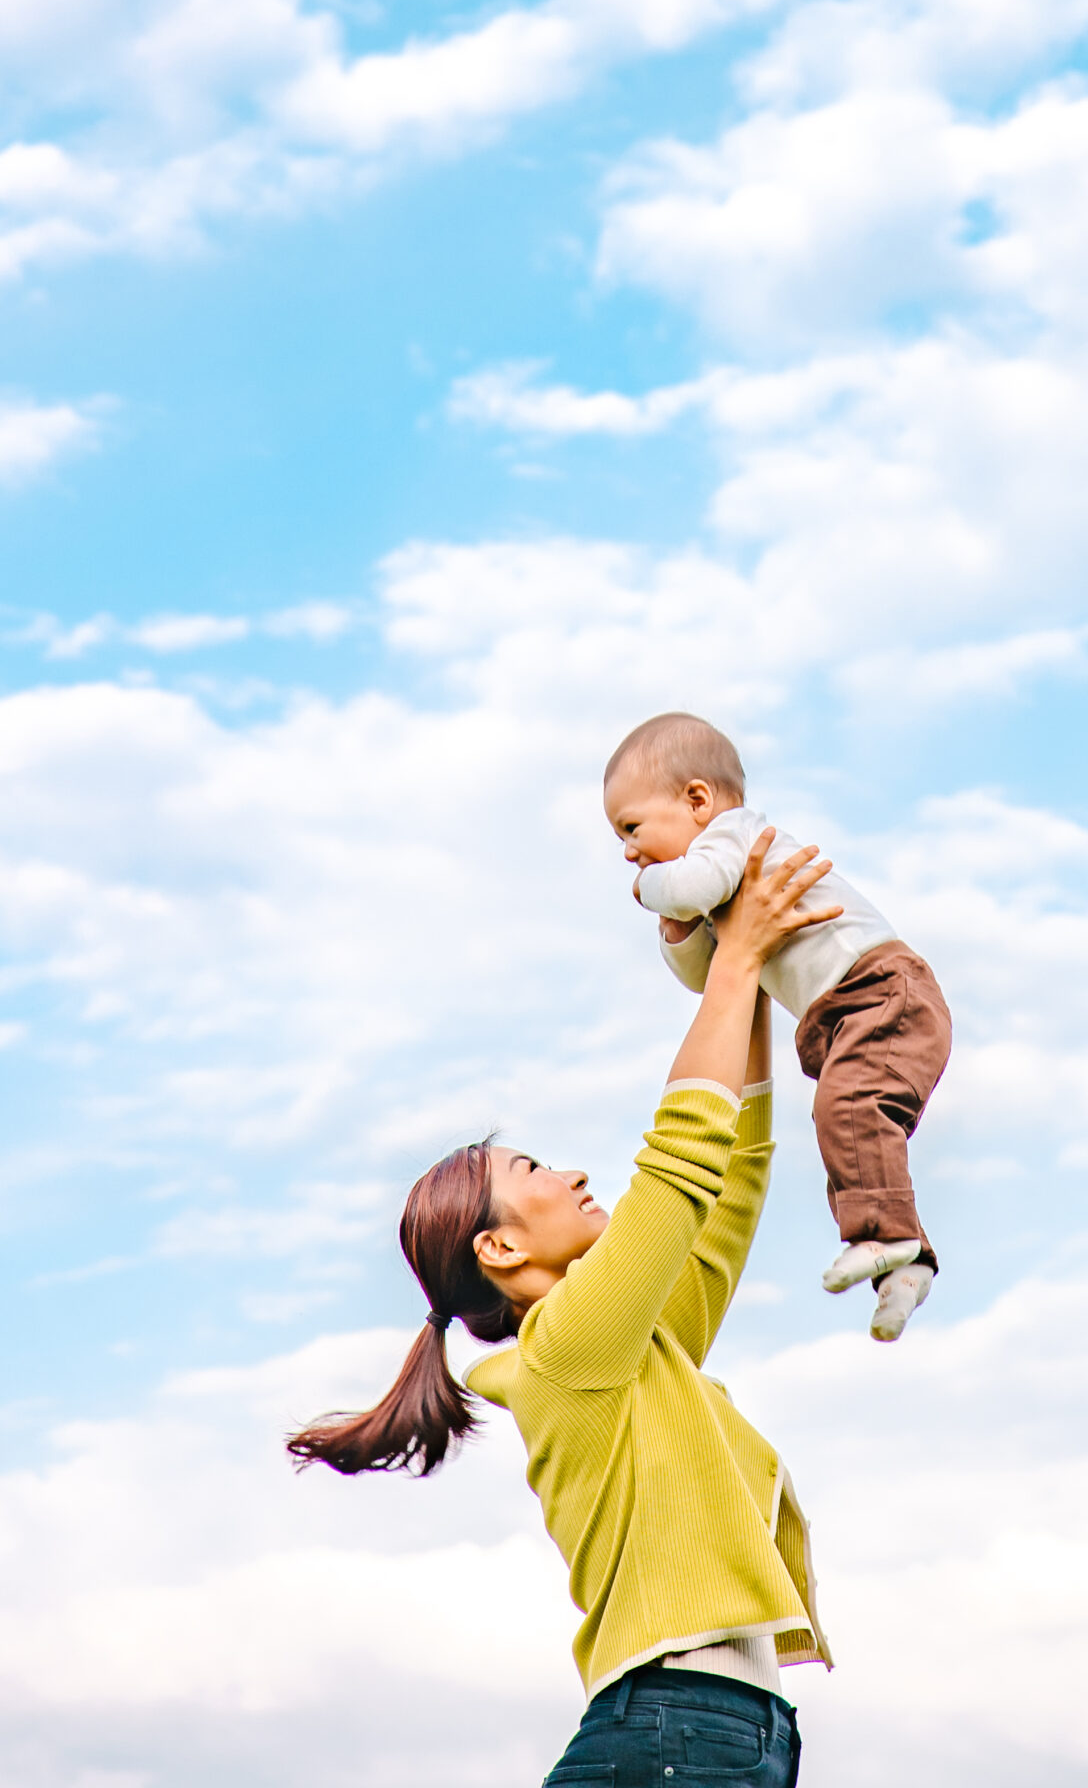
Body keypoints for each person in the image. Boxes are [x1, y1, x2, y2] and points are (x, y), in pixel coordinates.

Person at [287, 831, 836, 1788]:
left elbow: (730, 1176)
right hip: (674, 1729)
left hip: (723, 1733)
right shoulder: (569, 1349)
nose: (573, 1170)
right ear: (497, 1249)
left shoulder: (634, 1349)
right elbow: (679, 1164)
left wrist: (732, 966)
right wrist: (737, 957)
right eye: (532, 1170)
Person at [604, 711, 952, 1341]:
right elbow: (704, 977)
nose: (628, 852)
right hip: (850, 1009)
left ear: (698, 800)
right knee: (849, 1125)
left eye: (631, 828)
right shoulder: (721, 877)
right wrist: (681, 928)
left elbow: (689, 886)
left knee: (847, 1109)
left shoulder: (734, 838)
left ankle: (884, 1234)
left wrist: (655, 889)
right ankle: (905, 1264)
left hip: (880, 990)